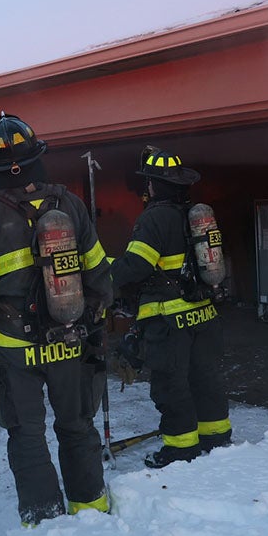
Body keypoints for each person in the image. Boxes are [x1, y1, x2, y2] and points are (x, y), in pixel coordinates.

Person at [0, 113, 113, 525]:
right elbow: (98, 273)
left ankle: (43, 520)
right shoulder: (70, 205)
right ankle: (91, 507)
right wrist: (92, 323)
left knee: (26, 435)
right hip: (68, 340)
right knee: (77, 425)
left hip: (15, 349)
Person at [110, 147, 232, 468]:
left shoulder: (154, 217)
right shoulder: (193, 215)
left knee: (170, 384)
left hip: (169, 320)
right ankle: (216, 439)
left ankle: (180, 450)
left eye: (149, 182)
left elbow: (136, 267)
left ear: (154, 185)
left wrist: (104, 269)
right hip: (203, 313)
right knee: (205, 378)